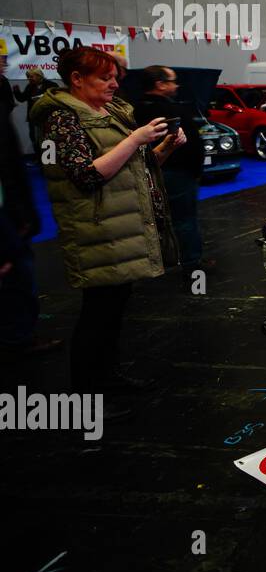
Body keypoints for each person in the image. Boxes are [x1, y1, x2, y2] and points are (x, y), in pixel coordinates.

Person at [28, 46, 184, 411]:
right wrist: (135, 139)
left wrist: (164, 148)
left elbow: (136, 167)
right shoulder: (61, 119)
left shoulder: (111, 111)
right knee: (97, 315)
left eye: (115, 77)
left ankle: (107, 378)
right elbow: (85, 175)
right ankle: (87, 397)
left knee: (112, 311)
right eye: (104, 77)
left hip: (123, 227)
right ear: (76, 79)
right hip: (97, 230)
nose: (114, 83)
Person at [0, 70, 61, 358]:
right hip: (9, 212)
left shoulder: (46, 88)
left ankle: (17, 334)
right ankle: (16, 338)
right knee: (17, 276)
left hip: (14, 207)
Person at [133, 65, 207, 272]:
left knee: (156, 219)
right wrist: (196, 171)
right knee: (184, 220)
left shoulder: (134, 109)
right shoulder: (172, 112)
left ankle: (162, 260)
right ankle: (192, 264)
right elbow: (190, 145)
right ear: (160, 85)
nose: (176, 86)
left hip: (148, 173)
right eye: (173, 81)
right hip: (178, 173)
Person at [15, 67, 59, 153]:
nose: (29, 79)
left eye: (31, 76)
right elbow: (22, 99)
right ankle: (38, 159)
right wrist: (16, 91)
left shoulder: (51, 85)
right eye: (28, 77)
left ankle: (48, 161)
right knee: (34, 138)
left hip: (47, 117)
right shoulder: (29, 86)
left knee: (48, 138)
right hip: (33, 117)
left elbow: (57, 99)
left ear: (39, 76)